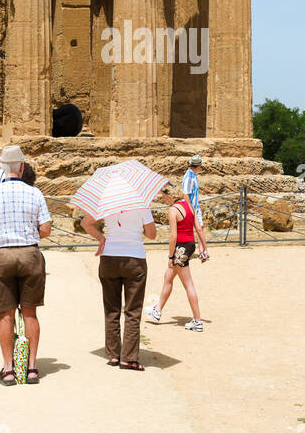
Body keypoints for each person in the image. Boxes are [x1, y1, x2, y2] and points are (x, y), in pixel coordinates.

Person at [0, 145, 52, 386]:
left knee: (5, 314)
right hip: (30, 254)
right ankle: (31, 368)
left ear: (1, 167)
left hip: (2, 256)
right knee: (30, 312)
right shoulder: (35, 193)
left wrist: (1, 236)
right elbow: (46, 229)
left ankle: (9, 370)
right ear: (21, 167)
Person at [82, 199, 155, 370]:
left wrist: (101, 238)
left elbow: (86, 222)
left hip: (109, 258)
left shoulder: (106, 201)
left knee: (111, 309)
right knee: (132, 310)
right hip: (134, 259)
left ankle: (114, 354)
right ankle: (128, 358)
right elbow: (152, 235)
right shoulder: (141, 203)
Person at [146, 184, 210, 332]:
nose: (164, 199)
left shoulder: (173, 210)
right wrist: (204, 249)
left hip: (180, 248)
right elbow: (199, 229)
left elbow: (173, 236)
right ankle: (157, 310)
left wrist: (170, 256)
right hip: (190, 245)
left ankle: (197, 321)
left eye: (164, 196)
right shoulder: (190, 206)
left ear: (169, 196)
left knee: (188, 285)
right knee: (168, 277)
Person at [181, 155, 203, 225]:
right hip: (191, 209)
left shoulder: (193, 175)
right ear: (199, 165)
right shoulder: (189, 177)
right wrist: (190, 211)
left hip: (195, 208)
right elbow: (186, 194)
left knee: (200, 228)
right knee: (199, 229)